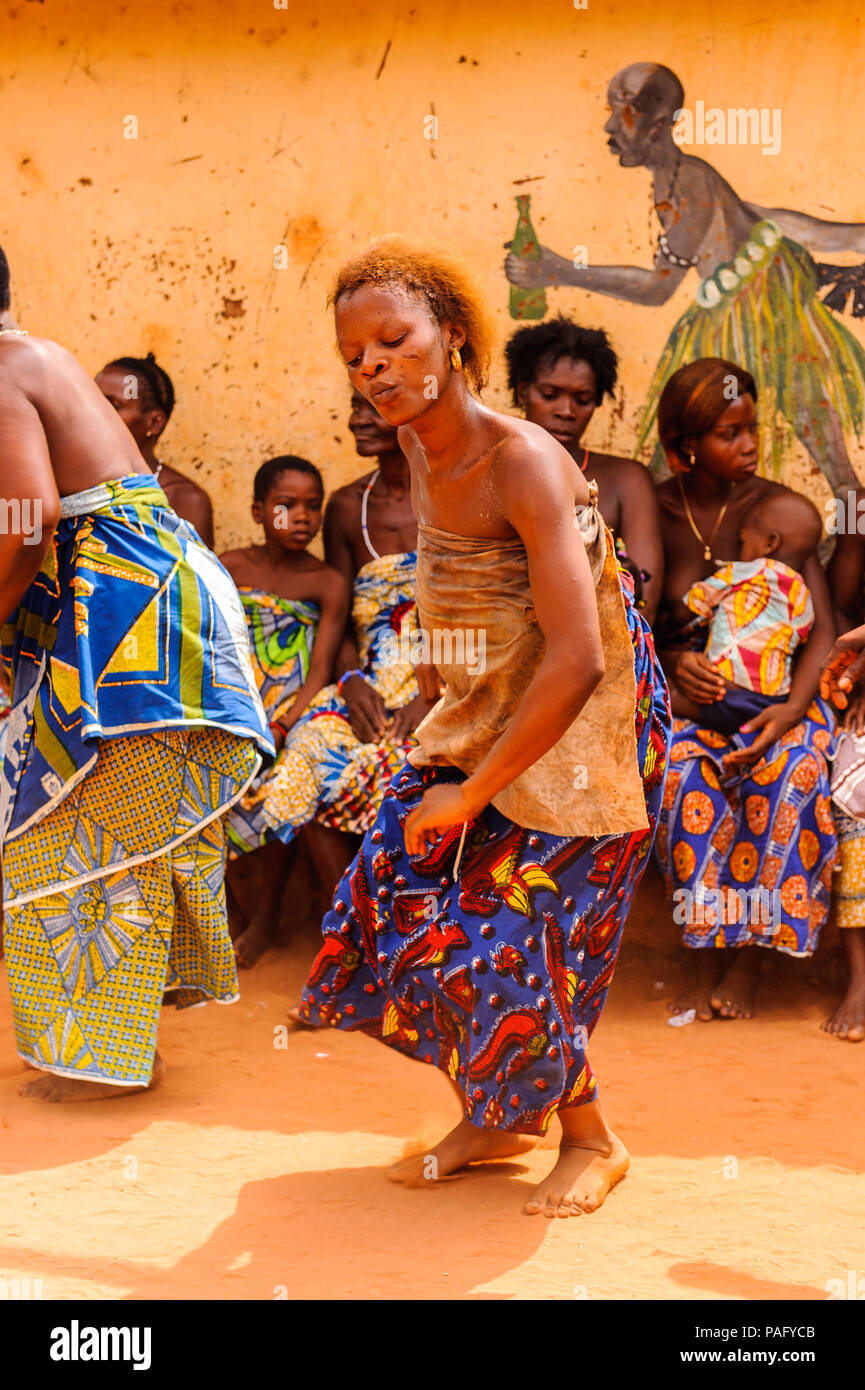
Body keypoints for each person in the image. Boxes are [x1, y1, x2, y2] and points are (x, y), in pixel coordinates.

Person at [294, 235, 670, 1217]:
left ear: (452, 337)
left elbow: (581, 656)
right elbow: (465, 591)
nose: (372, 366)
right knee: (392, 900)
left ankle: (592, 1138)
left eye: (392, 340)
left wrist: (473, 788)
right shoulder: (418, 443)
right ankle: (498, 1112)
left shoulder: (526, 463)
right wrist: (433, 700)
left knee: (507, 935)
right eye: (353, 356)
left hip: (586, 735)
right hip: (485, 713)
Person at [0, 246, 272, 1101]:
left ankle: (101, 1060)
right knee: (101, 823)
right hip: (139, 614)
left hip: (121, 624)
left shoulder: (2, 368)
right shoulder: (37, 355)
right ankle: (109, 1049)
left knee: (70, 827)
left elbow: (26, 517)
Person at [505, 62, 865, 494]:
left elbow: (658, 288)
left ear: (656, 126)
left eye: (622, 113)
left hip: (759, 316)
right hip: (741, 314)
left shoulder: (688, 181)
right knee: (709, 446)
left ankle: (843, 538)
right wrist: (852, 238)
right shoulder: (682, 179)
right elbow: (767, 220)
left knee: (748, 440)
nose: (608, 126)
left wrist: (559, 271)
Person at [653, 358, 837, 1022]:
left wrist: (789, 713)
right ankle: (702, 948)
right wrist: (674, 661)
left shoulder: (775, 511)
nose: (749, 445)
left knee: (791, 774)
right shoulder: (656, 510)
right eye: (728, 433)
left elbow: (822, 629)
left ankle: (750, 957)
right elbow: (632, 621)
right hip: (691, 704)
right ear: (684, 445)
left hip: (777, 702)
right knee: (677, 775)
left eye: (751, 427)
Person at [230, 389, 437, 958]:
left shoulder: (455, 496)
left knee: (399, 766)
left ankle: (397, 938)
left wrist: (440, 693)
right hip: (367, 683)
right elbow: (341, 617)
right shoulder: (348, 507)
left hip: (442, 682)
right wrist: (349, 683)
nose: (356, 418)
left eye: (375, 406)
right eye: (355, 403)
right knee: (306, 753)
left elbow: (481, 608)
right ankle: (350, 930)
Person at [220, 456, 349, 967]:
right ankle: (223, 914)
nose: (302, 517)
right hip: (233, 703)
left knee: (283, 787)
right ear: (257, 511)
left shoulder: (327, 583)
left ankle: (266, 916)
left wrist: (283, 723)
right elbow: (210, 648)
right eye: (286, 506)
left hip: (293, 708)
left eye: (312, 507)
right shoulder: (230, 566)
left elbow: (319, 671)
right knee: (207, 780)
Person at [505, 318, 663, 620]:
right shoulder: (493, 470)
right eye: (550, 395)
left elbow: (645, 603)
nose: (566, 411)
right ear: (522, 392)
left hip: (608, 647)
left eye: (583, 399)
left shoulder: (626, 481)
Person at [668, 491, 821, 733]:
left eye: (743, 541)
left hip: (725, 688)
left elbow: (693, 605)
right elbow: (801, 635)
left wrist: (674, 620)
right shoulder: (806, 599)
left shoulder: (745, 572)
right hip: (772, 699)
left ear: (770, 543)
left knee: (660, 695)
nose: (740, 549)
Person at [96, 353, 215, 547]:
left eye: (114, 405)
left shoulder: (185, 500)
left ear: (154, 422)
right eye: (92, 400)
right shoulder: (70, 480)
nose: (96, 411)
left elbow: (194, 575)